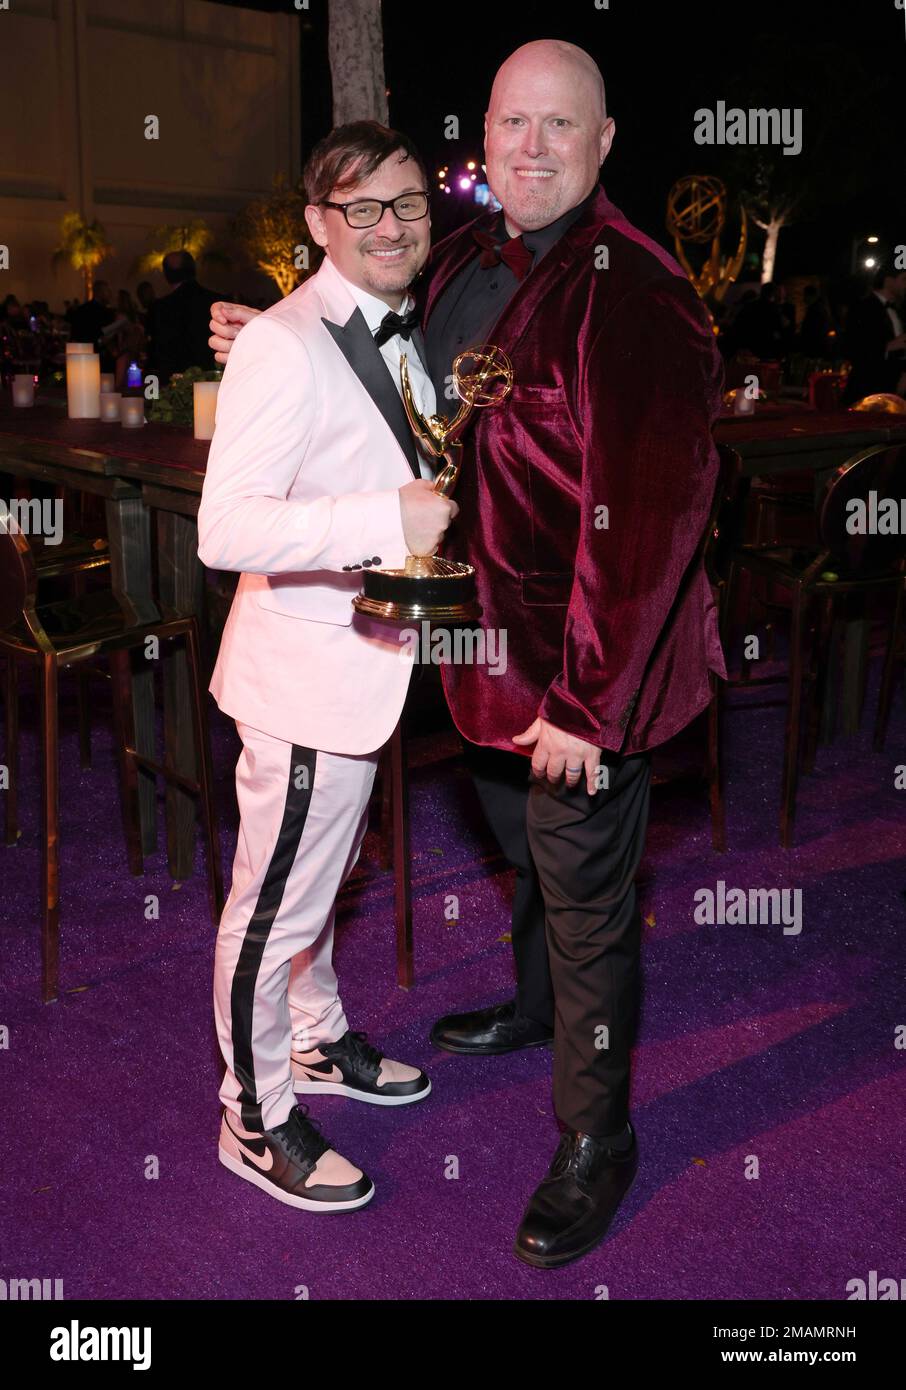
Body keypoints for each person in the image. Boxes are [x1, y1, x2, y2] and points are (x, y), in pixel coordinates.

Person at [209, 39, 725, 1268]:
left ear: (605, 146)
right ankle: (533, 1004)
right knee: (525, 864)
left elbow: (652, 522)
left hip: (580, 678)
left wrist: (590, 706)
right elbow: (391, 373)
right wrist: (272, 331)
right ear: (482, 142)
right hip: (474, 657)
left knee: (592, 907)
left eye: (561, 126)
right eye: (511, 125)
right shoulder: (465, 267)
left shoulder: (636, 293)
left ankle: (597, 1137)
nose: (532, 147)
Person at [197, 122, 454, 1213]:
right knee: (275, 910)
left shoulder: (392, 329)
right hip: (303, 683)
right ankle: (250, 1115)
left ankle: (315, 1040)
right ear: (318, 223)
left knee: (319, 887)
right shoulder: (285, 342)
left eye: (407, 203)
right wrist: (380, 515)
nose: (390, 225)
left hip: (363, 669)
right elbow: (226, 529)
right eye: (363, 208)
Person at [146, 251, 218, 385]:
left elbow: (156, 354)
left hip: (173, 388)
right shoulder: (216, 302)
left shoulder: (161, 308)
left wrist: (152, 393)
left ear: (166, 275)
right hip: (210, 384)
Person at [842, 266, 906, 403]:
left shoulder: (899, 309)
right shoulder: (862, 307)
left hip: (894, 391)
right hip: (867, 390)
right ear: (889, 281)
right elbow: (851, 348)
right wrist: (887, 346)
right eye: (904, 279)